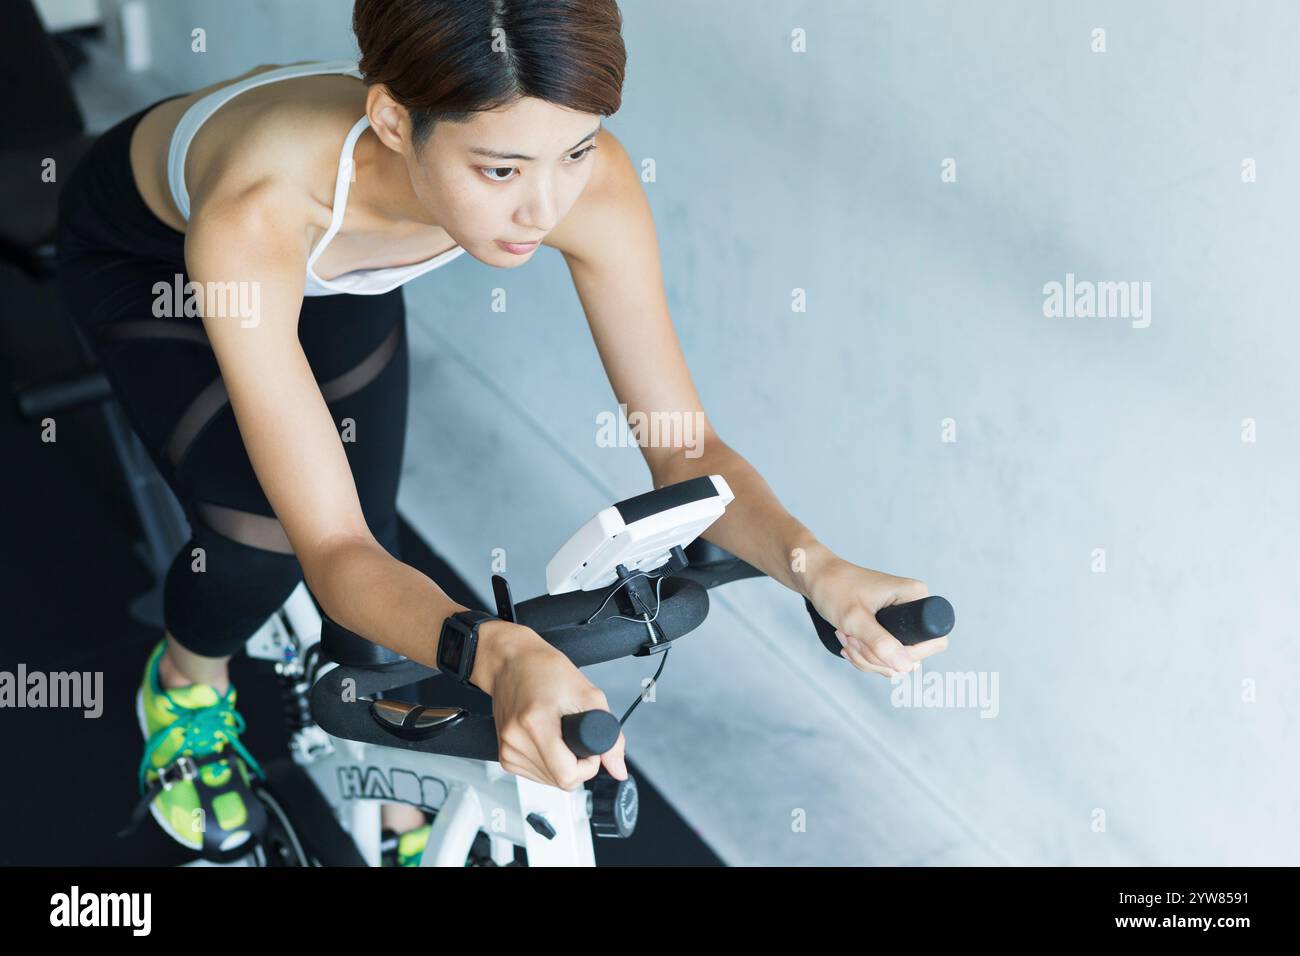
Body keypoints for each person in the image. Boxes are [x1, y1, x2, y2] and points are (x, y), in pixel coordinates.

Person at [55, 0, 948, 863]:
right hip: (154, 262)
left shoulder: (577, 183)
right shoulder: (256, 207)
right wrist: (499, 650)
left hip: (344, 270)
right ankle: (184, 686)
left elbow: (687, 451)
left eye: (575, 151)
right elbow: (332, 549)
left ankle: (393, 781)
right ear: (395, 122)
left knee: (377, 526)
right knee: (260, 535)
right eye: (501, 170)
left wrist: (815, 567)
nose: (546, 208)